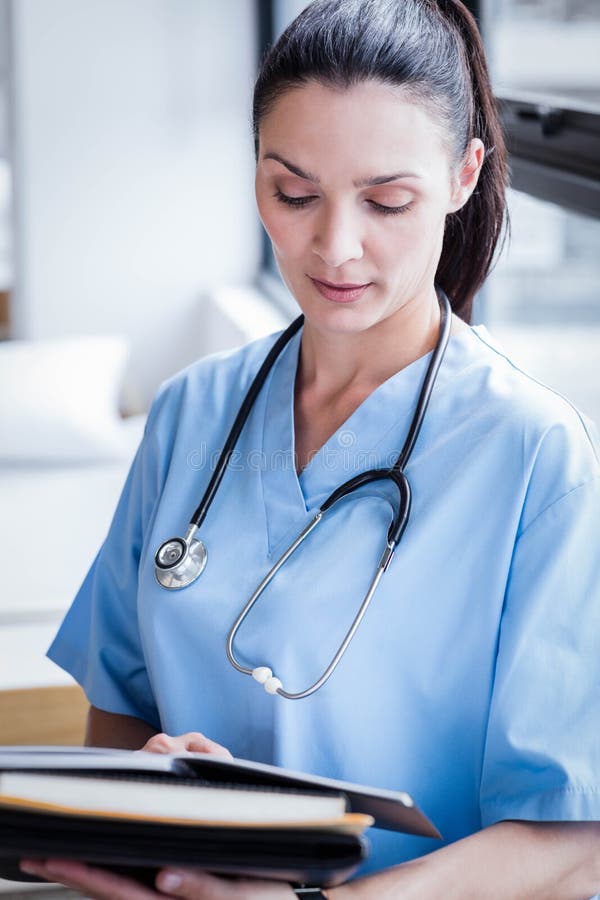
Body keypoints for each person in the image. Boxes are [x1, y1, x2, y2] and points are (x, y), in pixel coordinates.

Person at [20, 0, 600, 897]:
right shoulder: (189, 414)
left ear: (463, 176)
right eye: (293, 193)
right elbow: (120, 719)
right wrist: (159, 796)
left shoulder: (536, 457)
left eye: (387, 200)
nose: (335, 246)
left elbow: (569, 842)